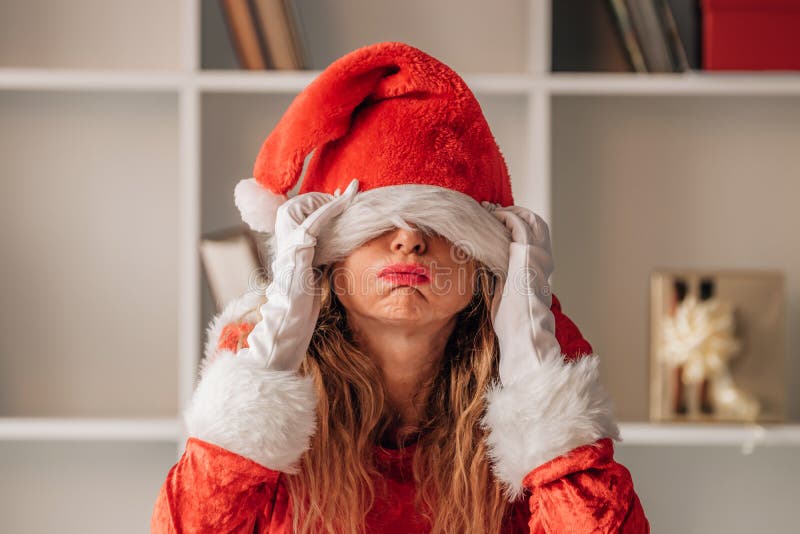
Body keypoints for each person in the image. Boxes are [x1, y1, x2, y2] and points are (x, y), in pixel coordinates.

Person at [151, 42, 650, 533]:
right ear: (324, 257)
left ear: (483, 263)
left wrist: (537, 384)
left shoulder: (530, 379)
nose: (409, 239)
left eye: (441, 222)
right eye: (375, 222)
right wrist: (270, 361)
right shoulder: (260, 366)